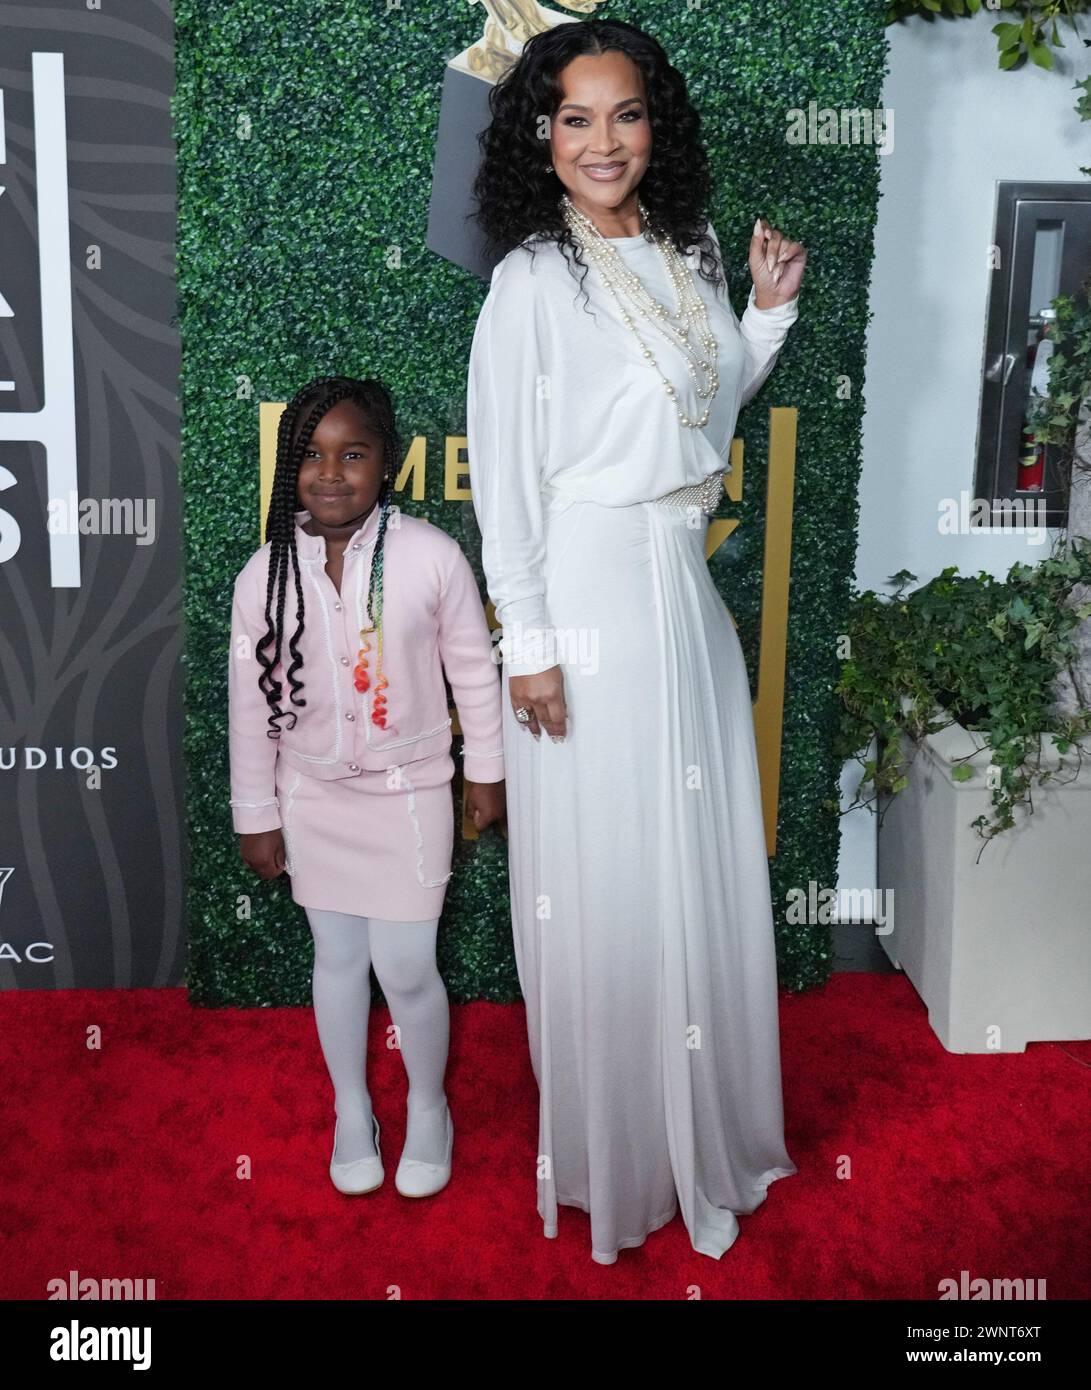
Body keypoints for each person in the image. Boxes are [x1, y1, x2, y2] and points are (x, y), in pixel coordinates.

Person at [466, 19, 806, 1264]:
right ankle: (618, 1157)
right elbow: (504, 482)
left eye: (623, 115)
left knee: (690, 861)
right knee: (607, 881)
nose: (601, 142)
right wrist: (530, 647)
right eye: (572, 118)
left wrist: (761, 321)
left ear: (653, 124)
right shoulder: (529, 282)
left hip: (681, 593)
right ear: (538, 137)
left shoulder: (685, 247)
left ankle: (695, 1132)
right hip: (590, 601)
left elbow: (697, 407)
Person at [227, 376, 506, 1198]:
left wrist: (485, 774)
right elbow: (249, 708)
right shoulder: (265, 575)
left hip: (410, 793)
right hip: (311, 798)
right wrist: (256, 813)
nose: (332, 473)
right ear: (289, 470)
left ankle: (427, 1106)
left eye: (353, 454)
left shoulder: (431, 556)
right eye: (311, 456)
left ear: (387, 463)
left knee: (408, 964)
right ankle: (353, 1108)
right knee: (338, 959)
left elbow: (475, 676)